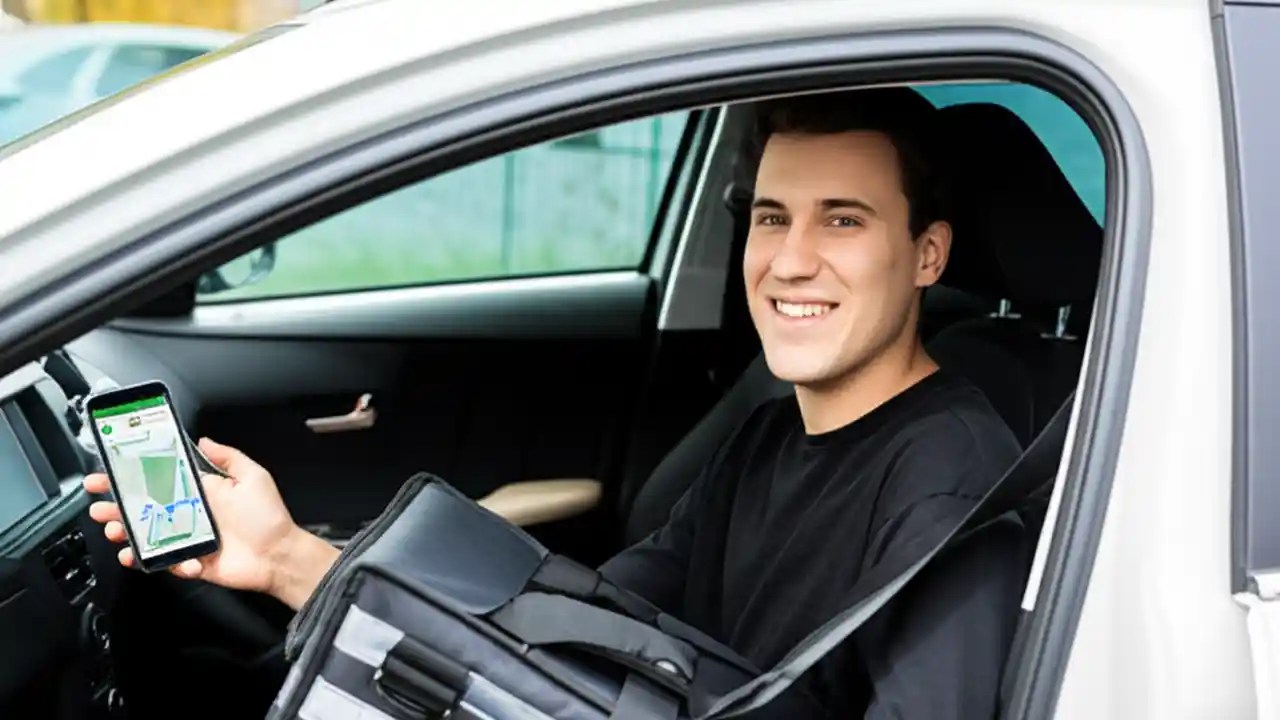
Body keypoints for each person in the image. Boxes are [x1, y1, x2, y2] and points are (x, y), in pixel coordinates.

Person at [84, 87, 1025, 718]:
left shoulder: (952, 477)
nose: (788, 260)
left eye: (843, 221)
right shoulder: (770, 434)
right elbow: (588, 623)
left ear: (929, 256)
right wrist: (289, 557)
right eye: (773, 216)